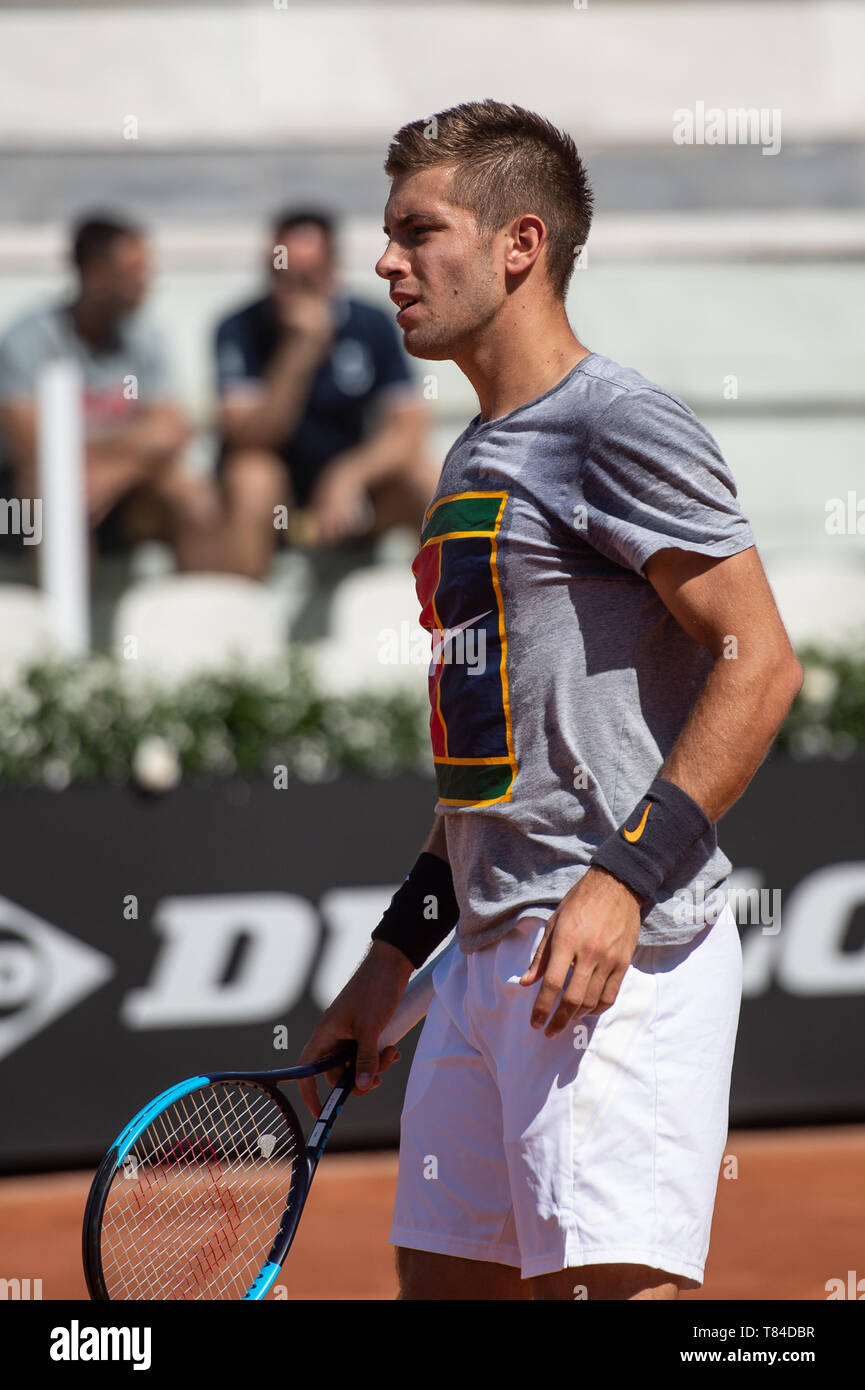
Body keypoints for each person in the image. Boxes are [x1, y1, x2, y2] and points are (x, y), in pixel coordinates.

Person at [297, 100, 803, 1301]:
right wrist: (391, 959)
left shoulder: (615, 422)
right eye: (387, 232)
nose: (385, 262)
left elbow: (761, 659)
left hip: (610, 964)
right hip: (481, 966)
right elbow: (490, 761)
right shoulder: (472, 456)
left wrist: (623, 882)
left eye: (418, 231)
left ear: (519, 244)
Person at [214, 208, 437, 579]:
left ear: (331, 270)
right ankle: (245, 626)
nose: (291, 289)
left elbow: (409, 428)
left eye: (306, 277)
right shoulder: (240, 327)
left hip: (355, 499)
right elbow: (249, 436)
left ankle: (455, 613)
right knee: (252, 476)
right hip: (280, 506)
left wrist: (350, 474)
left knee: (424, 476)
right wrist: (299, 351)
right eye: (280, 272)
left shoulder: (370, 322)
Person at [0, 214, 220, 570]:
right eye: (134, 271)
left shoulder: (146, 336)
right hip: (20, 508)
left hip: (121, 491)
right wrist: (125, 449)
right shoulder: (28, 341)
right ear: (96, 274)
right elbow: (32, 444)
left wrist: (117, 470)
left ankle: (202, 618)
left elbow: (173, 430)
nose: (147, 281)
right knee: (48, 485)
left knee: (190, 494)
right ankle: (62, 622)